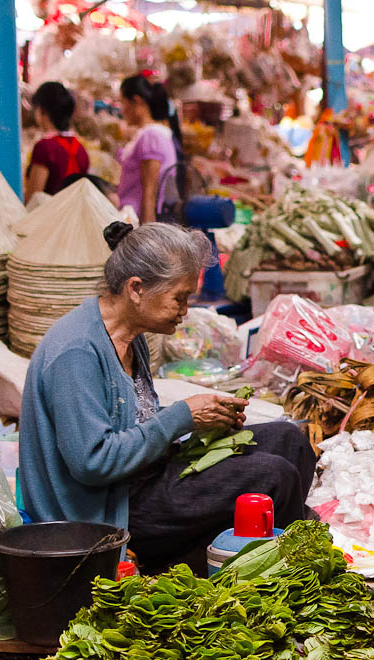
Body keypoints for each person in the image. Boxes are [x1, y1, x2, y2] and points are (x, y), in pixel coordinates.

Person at [19, 222, 316, 571]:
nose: (185, 309)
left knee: (288, 439)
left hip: (141, 477)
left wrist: (204, 425)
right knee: (272, 475)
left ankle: (268, 555)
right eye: (179, 297)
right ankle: (272, 578)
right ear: (136, 288)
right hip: (108, 509)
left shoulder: (131, 336)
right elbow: (93, 462)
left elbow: (137, 417)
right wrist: (181, 417)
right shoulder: (77, 352)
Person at [117, 74, 181, 223]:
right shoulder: (152, 133)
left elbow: (149, 191)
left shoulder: (151, 136)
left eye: (122, 102)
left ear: (136, 101)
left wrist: (147, 236)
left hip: (138, 219)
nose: (121, 110)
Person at [25, 82, 89, 201]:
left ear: (42, 110)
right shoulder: (81, 148)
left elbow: (34, 198)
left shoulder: (44, 147)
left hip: (51, 217)